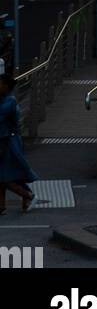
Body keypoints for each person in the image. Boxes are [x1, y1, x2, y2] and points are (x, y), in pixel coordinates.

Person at [0, 73, 36, 215]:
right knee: (6, 173)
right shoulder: (4, 99)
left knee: (5, 175)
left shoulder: (10, 101)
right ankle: (2, 205)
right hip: (4, 140)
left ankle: (27, 195)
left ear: (6, 86)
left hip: (9, 141)